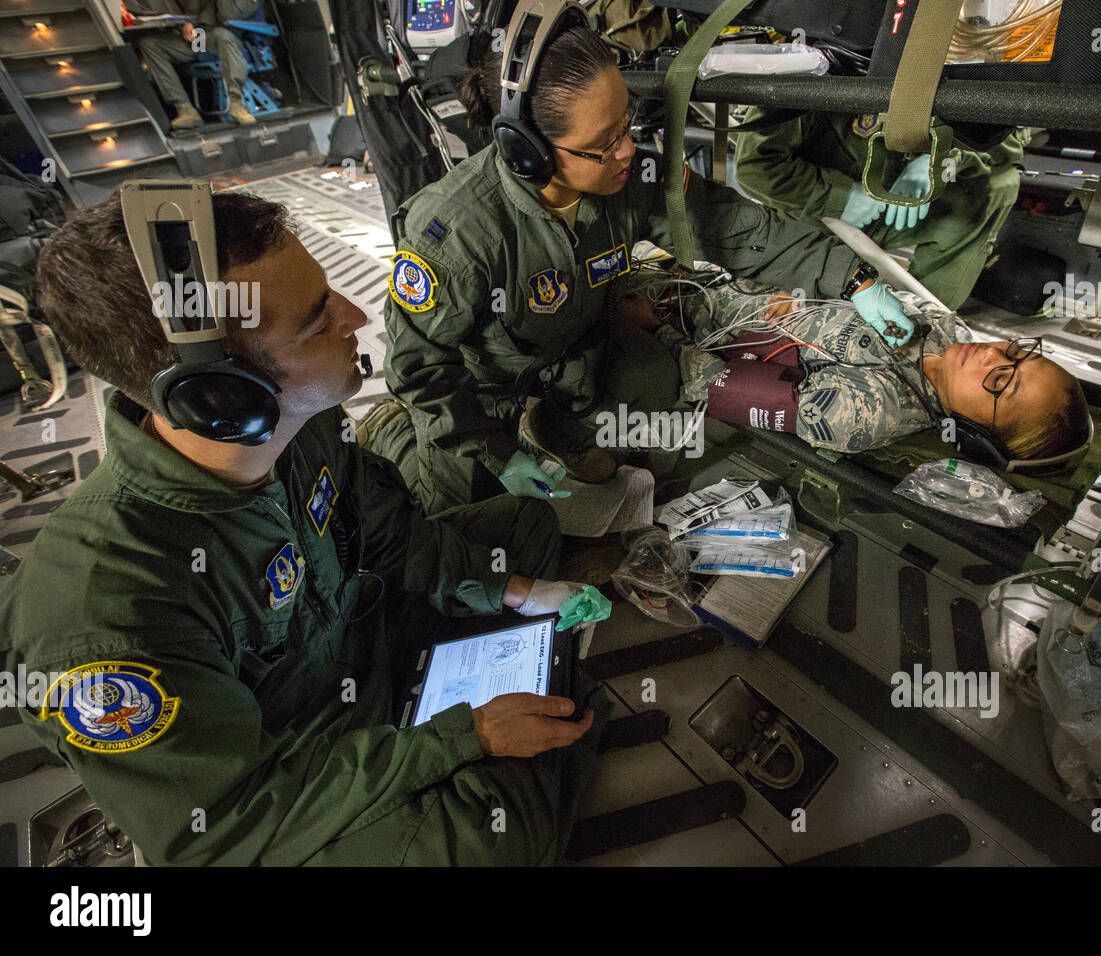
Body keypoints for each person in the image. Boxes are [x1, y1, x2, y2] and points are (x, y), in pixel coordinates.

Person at [0, 188, 609, 866]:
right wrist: (463, 739)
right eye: (317, 324)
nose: (356, 316)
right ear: (223, 397)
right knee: (495, 837)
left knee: (521, 527)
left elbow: (388, 536)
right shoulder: (97, 613)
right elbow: (225, 819)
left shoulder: (305, 423)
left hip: (361, 651)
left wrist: (515, 591)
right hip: (293, 768)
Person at [372, 4, 914, 517]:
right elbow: (418, 367)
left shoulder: (629, 180)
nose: (628, 150)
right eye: (603, 144)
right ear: (527, 150)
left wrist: (857, 278)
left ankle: (560, 432)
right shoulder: (453, 234)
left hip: (570, 348)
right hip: (478, 384)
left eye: (626, 125)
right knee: (461, 516)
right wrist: (496, 456)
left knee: (652, 377)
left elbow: (738, 227)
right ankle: (391, 432)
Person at [636, 273, 1088, 460]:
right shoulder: (950, 333)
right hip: (723, 279)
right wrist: (796, 285)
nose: (992, 355)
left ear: (976, 433)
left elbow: (714, 385)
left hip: (676, 316)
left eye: (1001, 381)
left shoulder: (866, 413)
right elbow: (845, 286)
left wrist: (654, 328)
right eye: (1016, 352)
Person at [733, 109, 1031, 310]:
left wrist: (943, 159)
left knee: (1000, 182)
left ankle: (924, 322)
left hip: (900, 207)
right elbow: (755, 166)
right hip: (816, 214)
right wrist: (841, 198)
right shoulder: (819, 49)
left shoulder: (979, 45)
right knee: (784, 312)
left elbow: (1014, 137)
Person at [133, 0, 259, 128]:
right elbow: (195, 9)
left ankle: (236, 103)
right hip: (201, 37)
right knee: (150, 44)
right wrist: (190, 22)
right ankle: (185, 108)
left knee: (224, 36)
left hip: (224, 36)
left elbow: (228, 14)